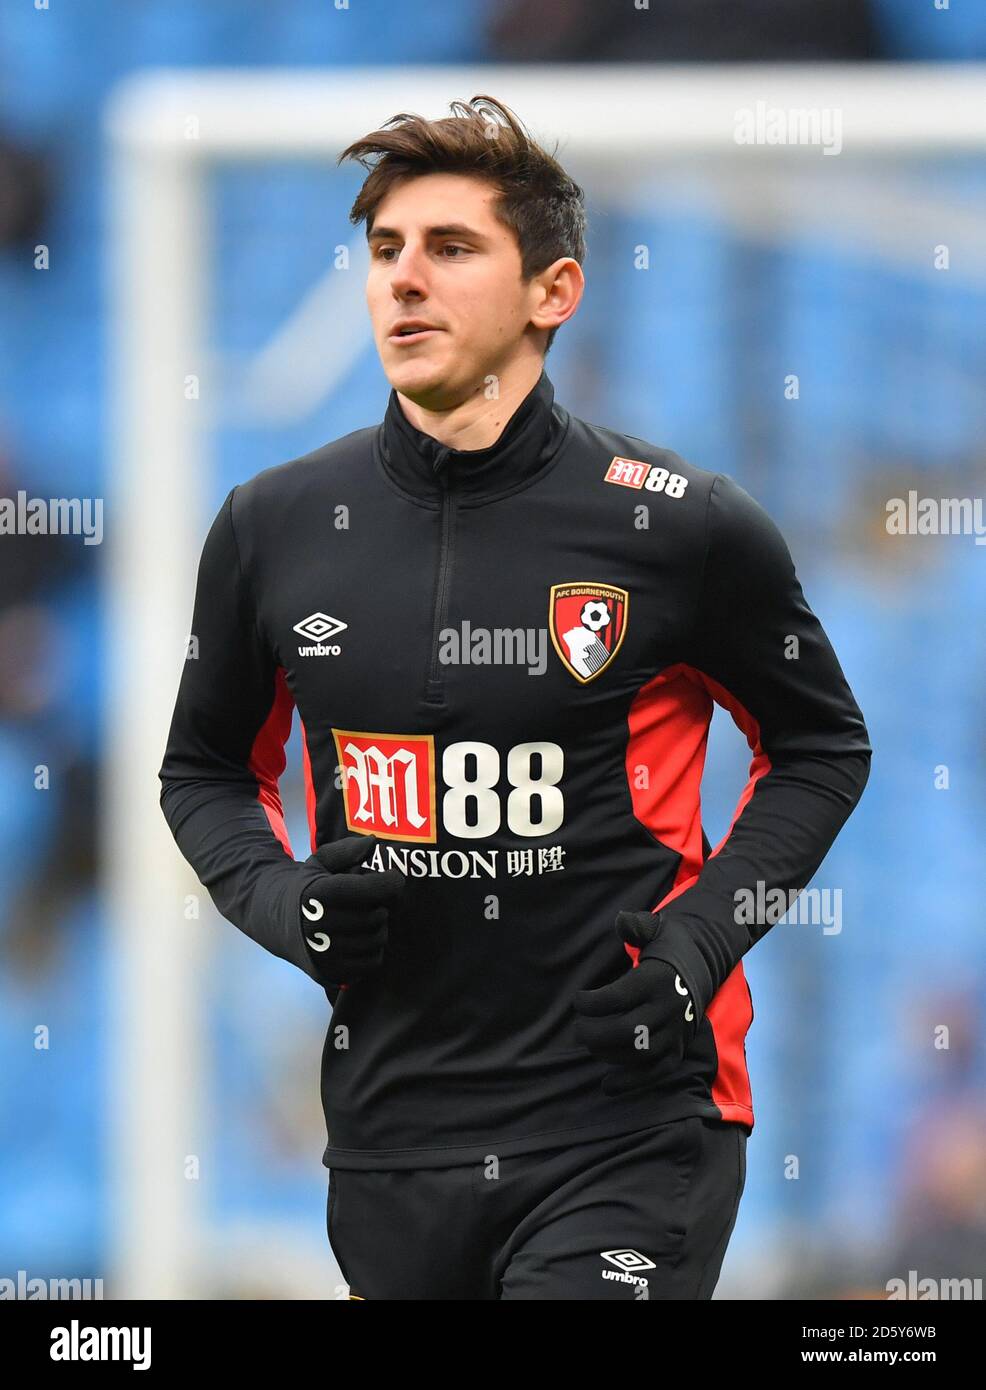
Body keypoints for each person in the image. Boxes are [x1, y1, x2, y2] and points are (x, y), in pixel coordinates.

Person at [158, 95, 871, 1300]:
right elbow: (202, 771)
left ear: (554, 291)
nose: (402, 282)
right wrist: (285, 904)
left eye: (449, 248)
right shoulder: (274, 527)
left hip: (628, 1114)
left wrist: (698, 944)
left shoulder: (677, 526)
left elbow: (818, 746)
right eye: (383, 250)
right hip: (392, 1135)